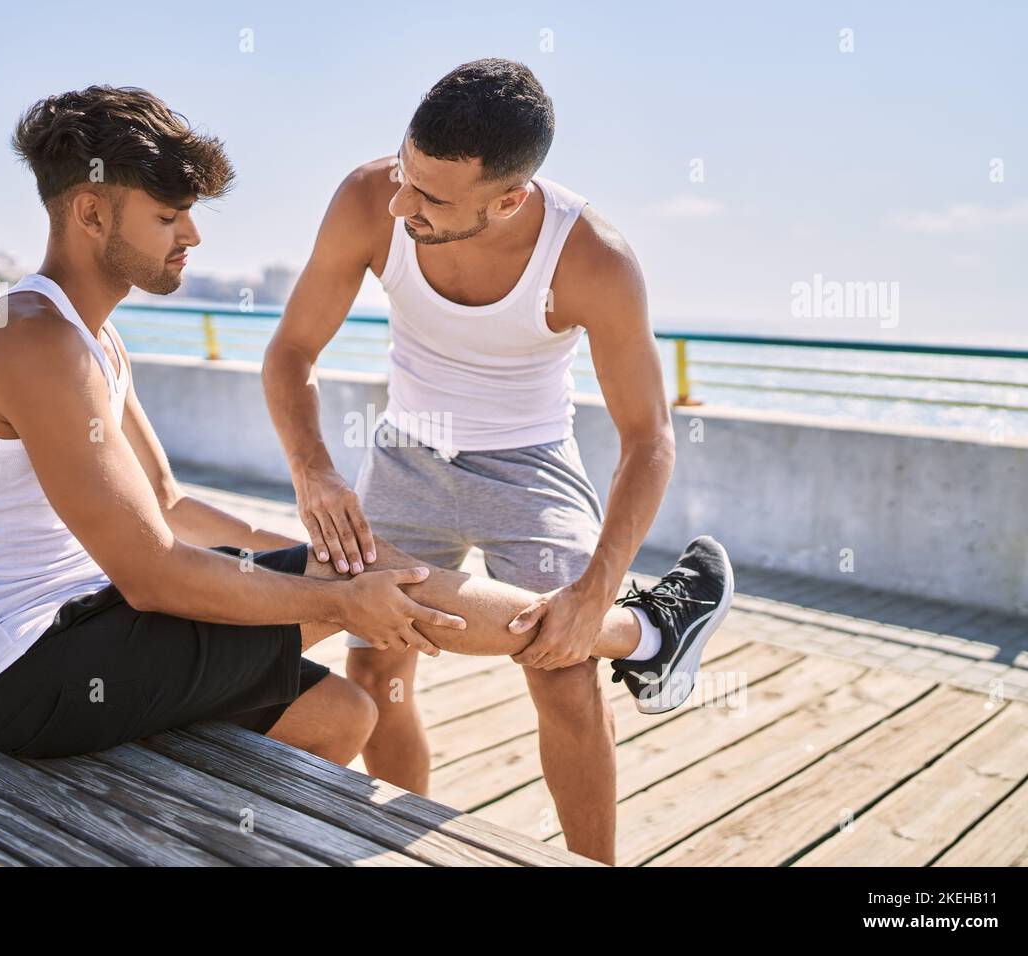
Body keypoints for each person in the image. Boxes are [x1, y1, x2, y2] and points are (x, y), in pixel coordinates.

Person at [262, 59, 734, 862]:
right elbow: (292, 352)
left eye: (432, 198)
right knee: (378, 672)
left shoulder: (594, 260)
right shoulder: (367, 200)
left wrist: (594, 590)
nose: (402, 203)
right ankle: (403, 845)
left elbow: (649, 437)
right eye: (406, 174)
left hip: (532, 464)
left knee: (565, 672)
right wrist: (313, 469)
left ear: (510, 197)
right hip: (407, 451)